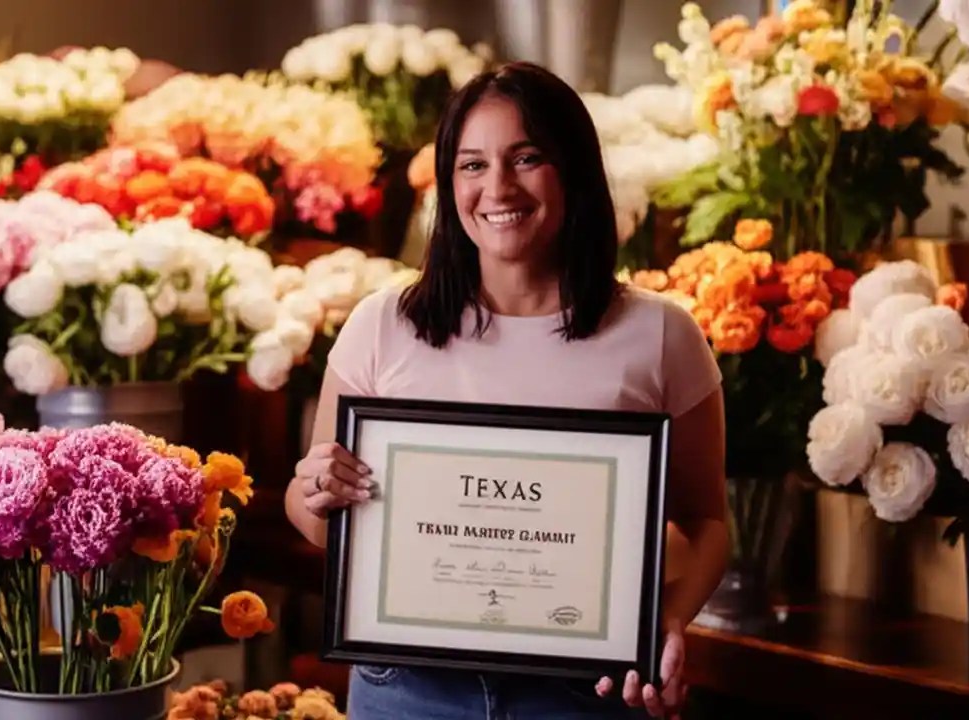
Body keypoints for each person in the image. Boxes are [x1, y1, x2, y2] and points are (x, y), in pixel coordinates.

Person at [284, 61, 728, 719]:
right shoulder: (383, 325)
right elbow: (313, 514)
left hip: (585, 696)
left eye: (526, 158)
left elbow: (708, 522)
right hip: (407, 692)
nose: (498, 186)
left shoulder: (662, 333)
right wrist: (317, 491)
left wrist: (664, 621)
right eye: (472, 164)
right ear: (447, 182)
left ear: (572, 169)